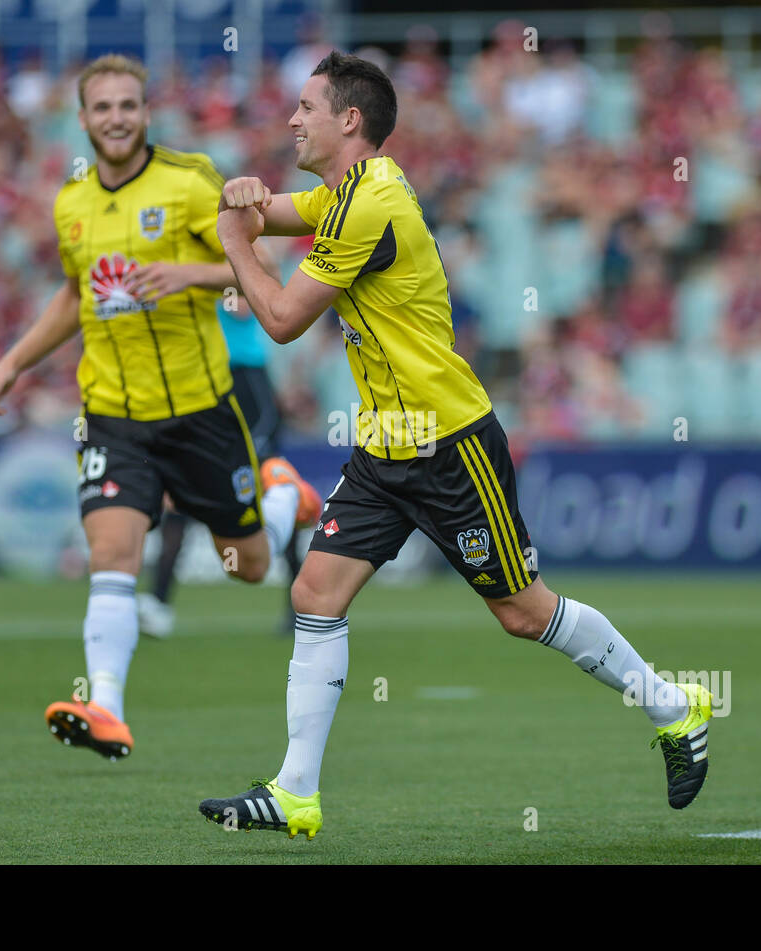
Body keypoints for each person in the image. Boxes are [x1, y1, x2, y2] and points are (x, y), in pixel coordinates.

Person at [198, 52, 714, 838]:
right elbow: (271, 212)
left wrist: (238, 234)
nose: (291, 120)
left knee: (521, 611)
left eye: (306, 107)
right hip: (382, 448)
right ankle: (295, 791)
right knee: (314, 593)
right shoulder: (345, 193)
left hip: (448, 443)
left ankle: (676, 707)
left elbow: (279, 317)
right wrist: (243, 201)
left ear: (349, 121)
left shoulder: (370, 205)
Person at [0, 54, 320, 761]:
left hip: (200, 409)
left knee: (246, 564)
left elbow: (262, 267)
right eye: (102, 108)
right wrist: (12, 362)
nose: (116, 118)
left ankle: (280, 496)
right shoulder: (72, 202)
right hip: (112, 411)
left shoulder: (190, 181)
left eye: (128, 105)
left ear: (145, 112)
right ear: (82, 120)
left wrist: (188, 272)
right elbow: (76, 294)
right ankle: (105, 705)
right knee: (112, 550)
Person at [136, 294, 303, 638]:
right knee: (185, 488)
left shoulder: (226, 250)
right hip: (203, 381)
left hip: (246, 383)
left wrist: (197, 279)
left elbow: (241, 309)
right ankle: (158, 603)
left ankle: (302, 604)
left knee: (270, 483)